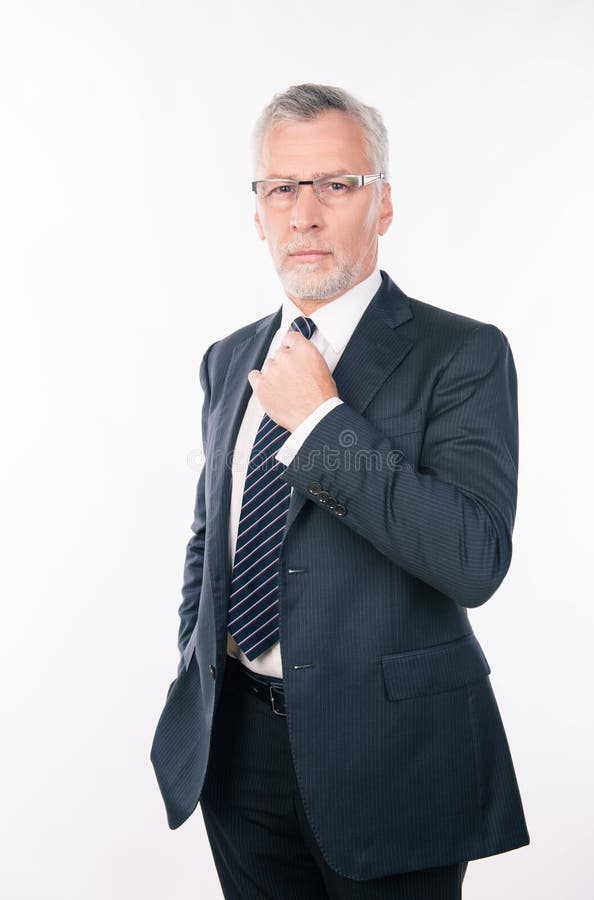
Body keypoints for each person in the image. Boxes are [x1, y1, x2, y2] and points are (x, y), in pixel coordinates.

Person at [150, 83, 529, 899]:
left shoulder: (460, 355)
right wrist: (197, 661)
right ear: (258, 211)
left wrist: (322, 424)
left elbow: (473, 558)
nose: (305, 214)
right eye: (281, 188)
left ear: (382, 204)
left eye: (335, 184)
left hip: (393, 754)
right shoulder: (229, 359)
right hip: (235, 746)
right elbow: (207, 537)